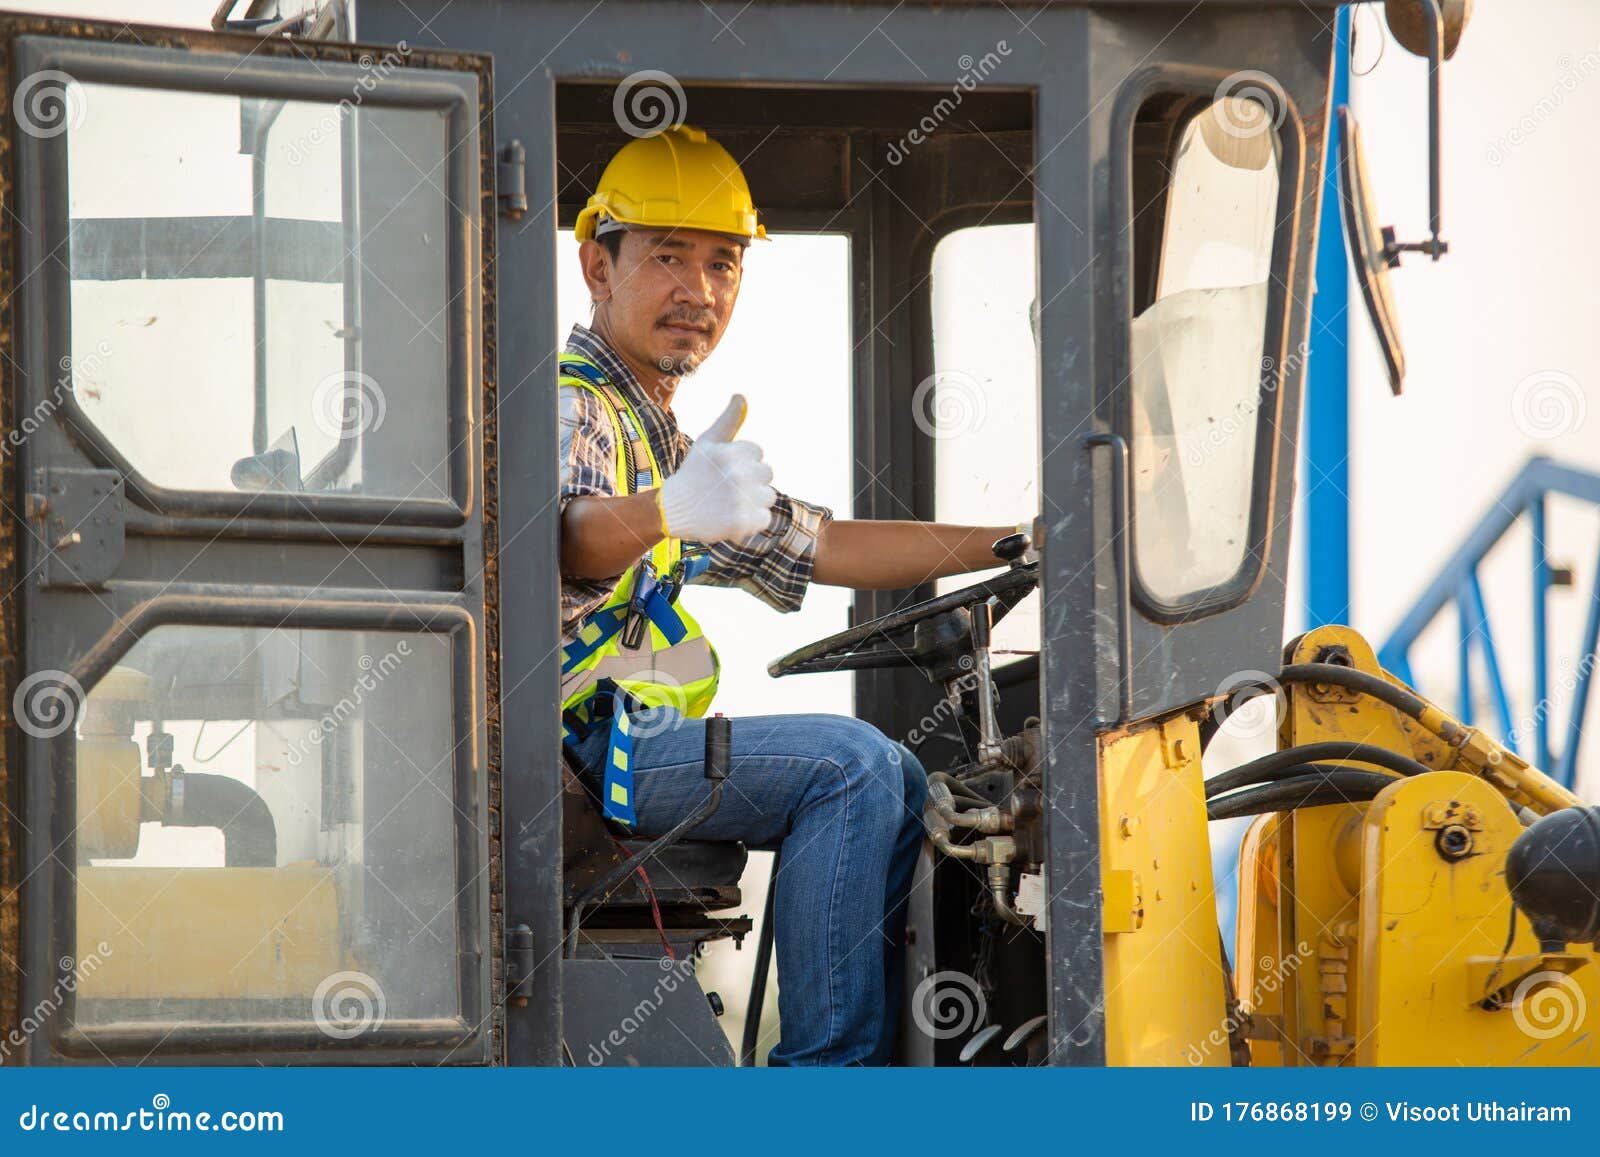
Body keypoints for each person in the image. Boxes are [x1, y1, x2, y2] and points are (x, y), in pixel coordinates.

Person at [558, 124, 1026, 1065]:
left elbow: (828, 544)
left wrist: (1016, 541)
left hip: (621, 739)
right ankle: (823, 1092)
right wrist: (667, 510)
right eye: (667, 256)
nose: (699, 290)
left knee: (893, 773)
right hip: (575, 748)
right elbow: (567, 536)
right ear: (596, 266)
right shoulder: (574, 402)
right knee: (848, 767)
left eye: (723, 263)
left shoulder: (669, 444)